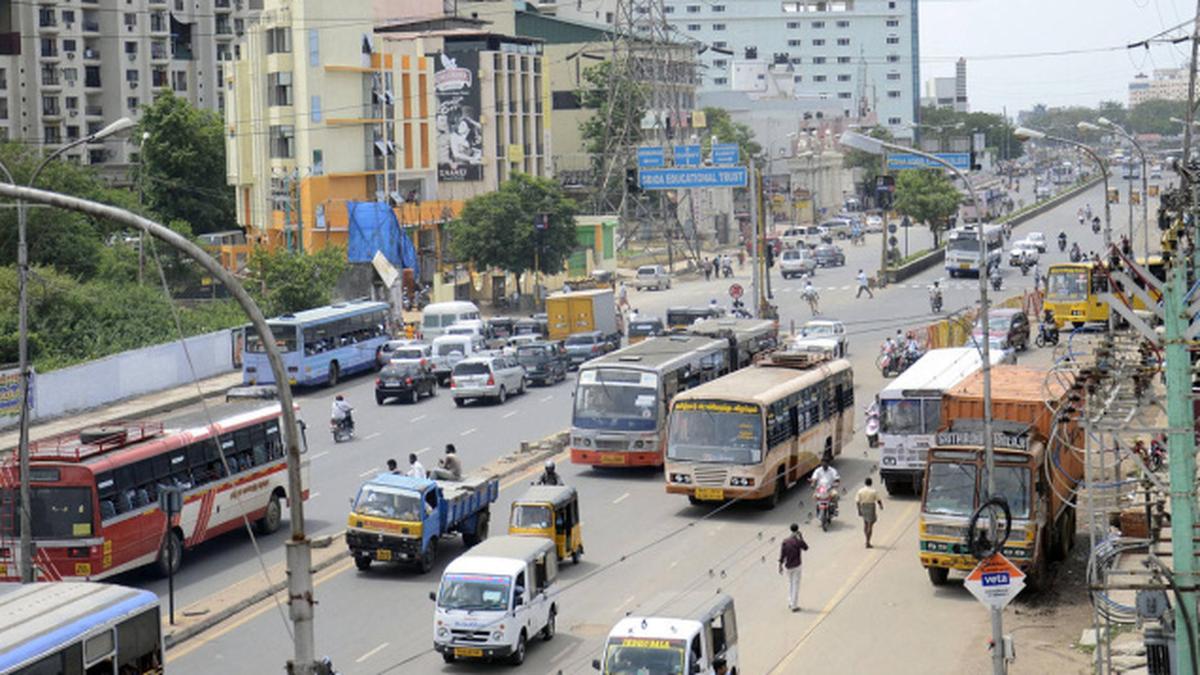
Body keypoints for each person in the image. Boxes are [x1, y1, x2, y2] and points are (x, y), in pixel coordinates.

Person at [777, 523, 809, 612]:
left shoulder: (785, 541)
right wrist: (801, 538)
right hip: (797, 566)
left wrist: (780, 565)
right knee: (796, 585)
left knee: (790, 584)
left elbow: (782, 554)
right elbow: (806, 548)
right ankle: (794, 606)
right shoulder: (798, 541)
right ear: (797, 530)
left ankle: (790, 602)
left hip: (788, 566)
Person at [856, 478, 884, 548]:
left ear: (865, 483)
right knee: (870, 525)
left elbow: (857, 501)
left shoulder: (860, 491)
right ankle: (867, 542)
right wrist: (881, 506)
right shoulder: (873, 491)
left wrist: (859, 510)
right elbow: (878, 500)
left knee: (865, 523)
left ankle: (866, 538)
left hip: (863, 506)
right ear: (871, 483)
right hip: (871, 507)